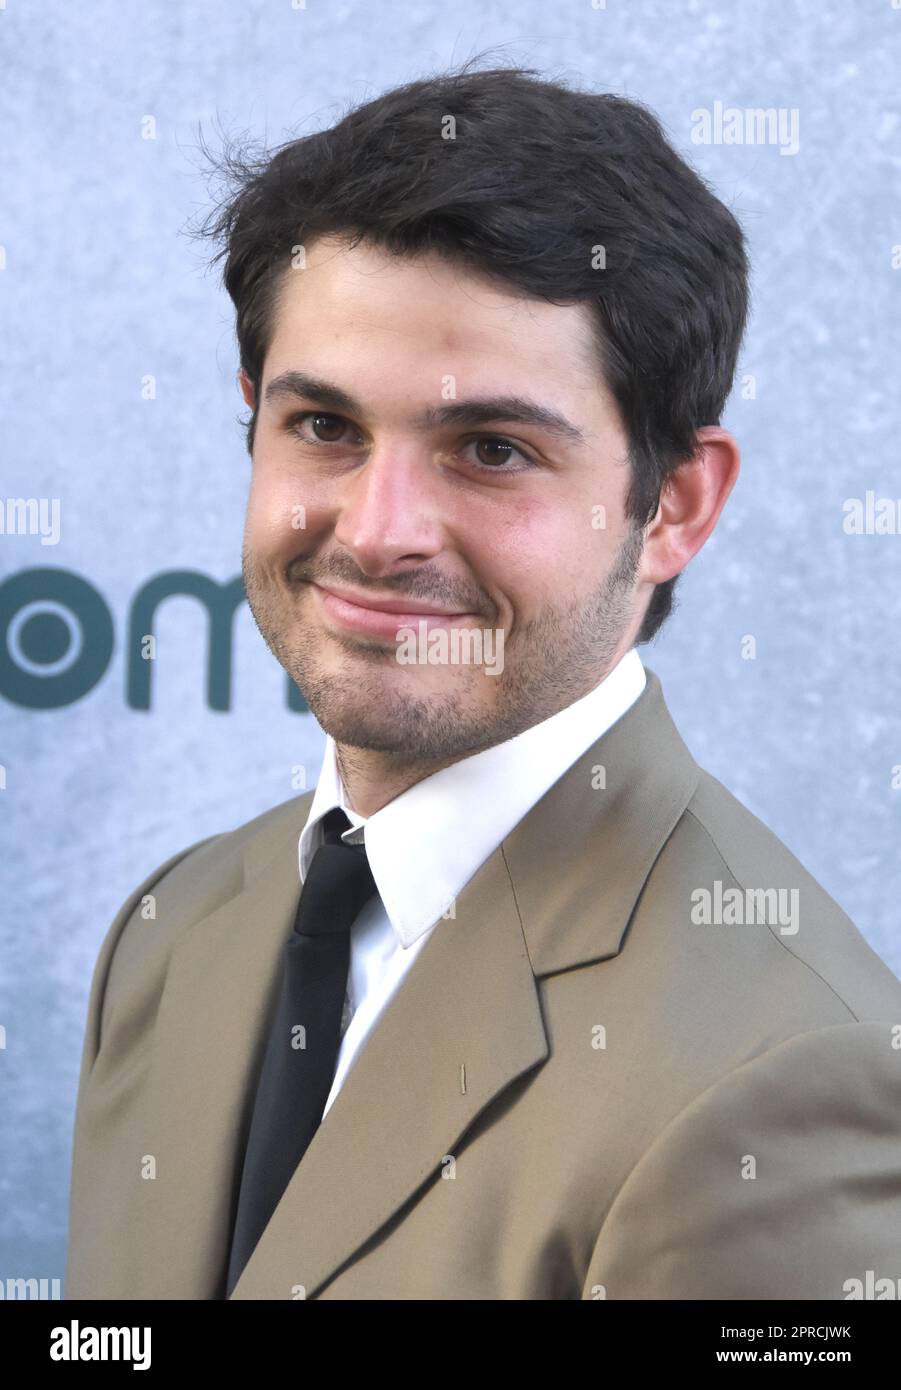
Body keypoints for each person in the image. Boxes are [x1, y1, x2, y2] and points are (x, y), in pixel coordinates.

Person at [65, 62, 901, 1301]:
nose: (376, 529)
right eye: (325, 427)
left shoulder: (778, 1083)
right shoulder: (171, 929)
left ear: (673, 505)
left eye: (491, 450)